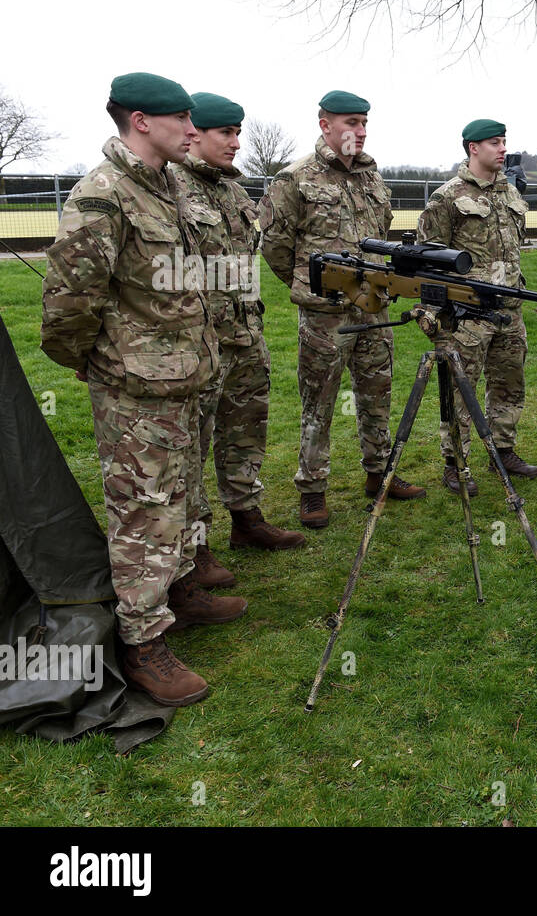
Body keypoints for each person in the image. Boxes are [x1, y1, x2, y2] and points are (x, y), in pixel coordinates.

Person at [41, 72, 247, 706]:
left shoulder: (166, 187)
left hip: (185, 377)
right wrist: (104, 365)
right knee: (142, 513)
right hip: (135, 389)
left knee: (180, 496)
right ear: (139, 122)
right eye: (181, 119)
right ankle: (142, 642)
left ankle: (180, 591)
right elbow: (68, 308)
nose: (192, 129)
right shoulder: (104, 195)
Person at [260, 90, 424, 529]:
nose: (361, 131)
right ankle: (312, 488)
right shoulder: (294, 179)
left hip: (372, 308)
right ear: (325, 124)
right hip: (324, 315)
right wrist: (310, 286)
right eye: (351, 122)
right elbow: (275, 246)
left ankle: (379, 472)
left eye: (365, 122)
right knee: (320, 401)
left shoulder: (373, 179)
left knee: (377, 393)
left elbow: (382, 231)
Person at [169, 92, 305, 584]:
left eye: (237, 132)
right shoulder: (171, 188)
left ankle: (247, 519)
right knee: (193, 448)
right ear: (195, 134)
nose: (236, 142)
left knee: (245, 432)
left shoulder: (233, 192)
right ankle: (196, 546)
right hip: (198, 343)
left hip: (245, 336)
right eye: (225, 133)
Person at [418, 119, 536, 497]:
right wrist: (432, 310)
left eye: (504, 142)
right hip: (466, 314)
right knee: (459, 390)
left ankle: (503, 450)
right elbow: (429, 259)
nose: (502, 148)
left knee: (508, 384)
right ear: (472, 148)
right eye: (494, 143)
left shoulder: (510, 193)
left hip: (510, 308)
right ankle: (456, 463)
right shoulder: (447, 197)